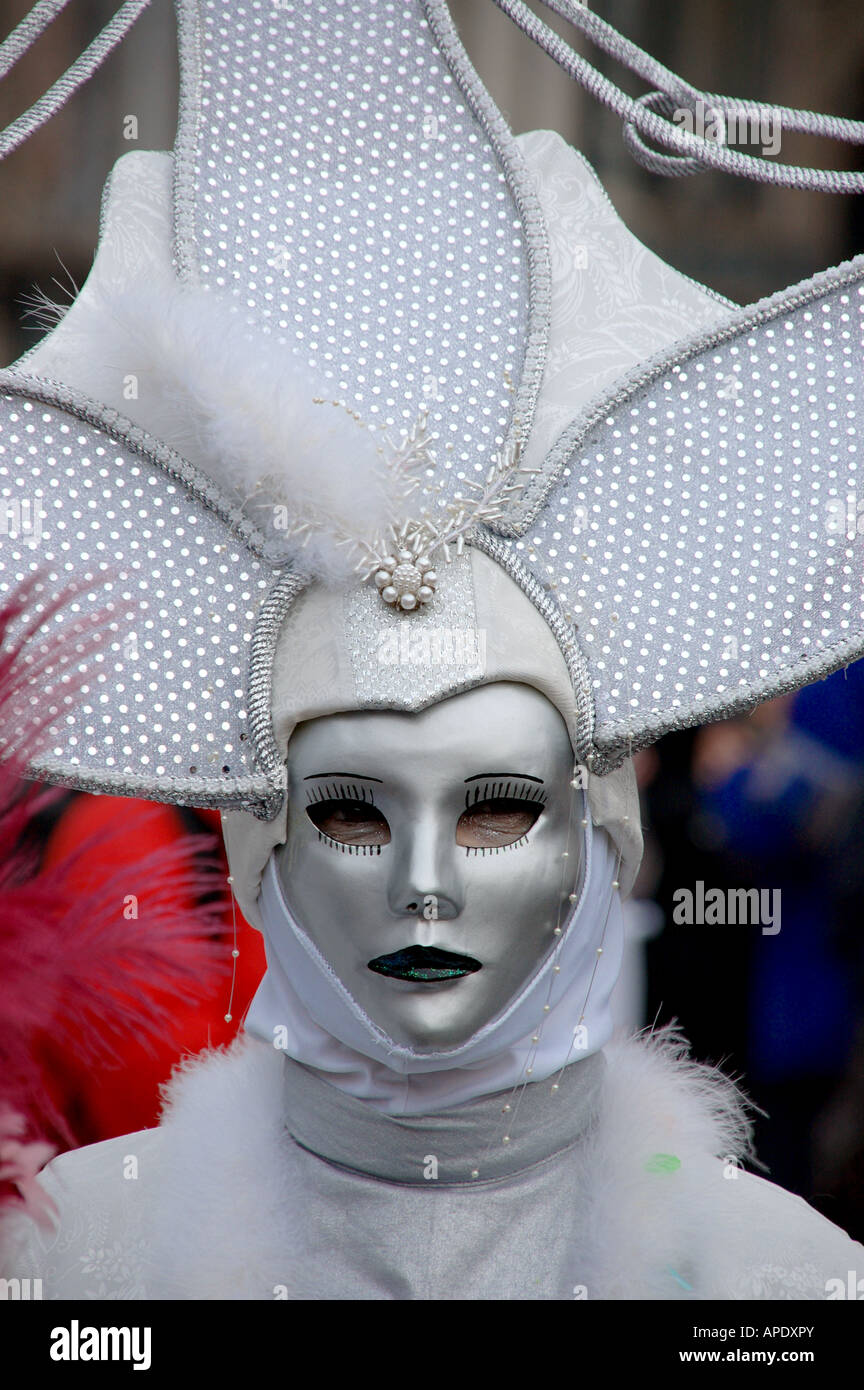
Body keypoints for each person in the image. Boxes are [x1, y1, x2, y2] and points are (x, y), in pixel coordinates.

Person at [1, 0, 864, 1299]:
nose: (423, 887)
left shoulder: (772, 1283)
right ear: (261, 840)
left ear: (600, 835)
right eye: (348, 810)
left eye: (498, 808)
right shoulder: (72, 1258)